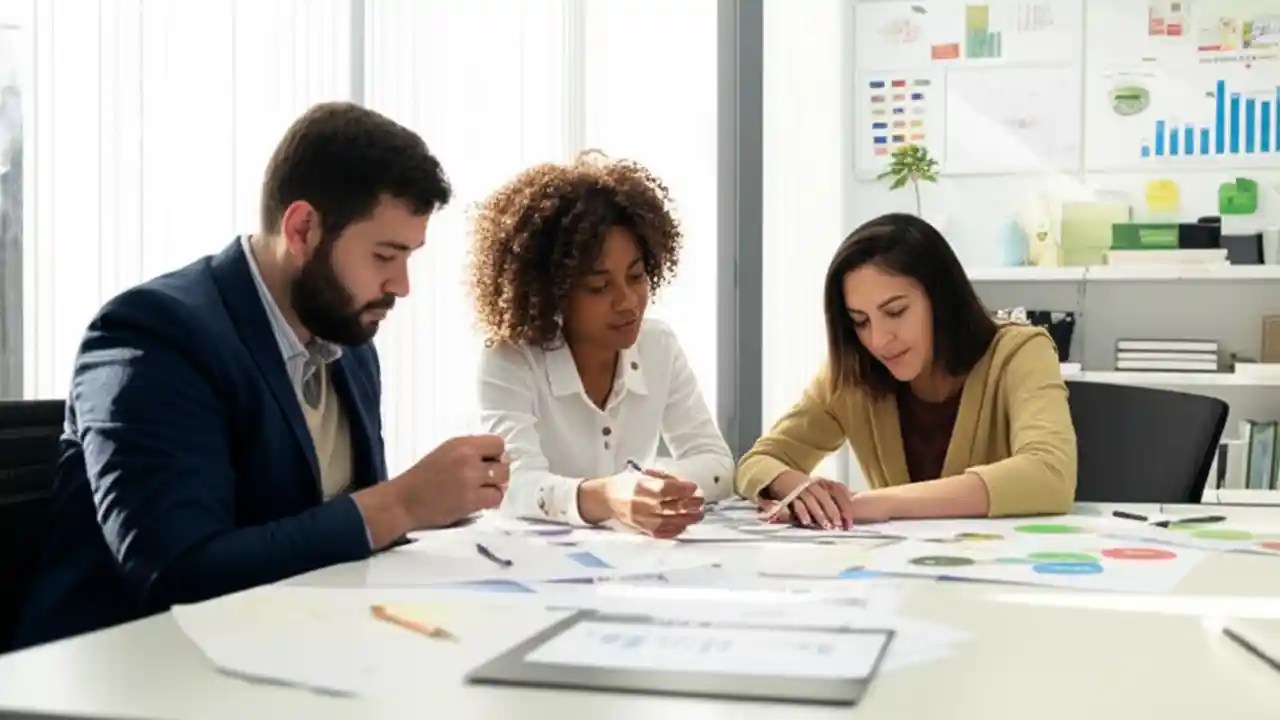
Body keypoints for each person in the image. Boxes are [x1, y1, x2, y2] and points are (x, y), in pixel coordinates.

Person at [14, 102, 509, 649]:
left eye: (409, 256)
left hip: (285, 653)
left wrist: (435, 509)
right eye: (384, 255)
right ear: (302, 229)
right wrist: (402, 504)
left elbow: (340, 544)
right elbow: (177, 576)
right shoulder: (154, 334)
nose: (401, 285)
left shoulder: (347, 340)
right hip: (122, 674)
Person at [737, 213, 1076, 529]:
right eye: (860, 321)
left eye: (896, 312)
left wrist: (875, 503)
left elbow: (1049, 475)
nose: (879, 340)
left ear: (941, 298)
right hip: (900, 576)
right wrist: (801, 488)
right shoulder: (852, 374)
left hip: (1003, 573)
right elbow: (757, 462)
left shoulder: (1020, 352)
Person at [470, 151, 732, 539]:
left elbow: (717, 465)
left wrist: (650, 488)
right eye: (598, 286)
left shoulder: (658, 346)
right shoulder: (510, 359)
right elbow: (514, 486)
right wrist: (609, 496)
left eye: (637, 276)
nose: (627, 301)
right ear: (552, 293)